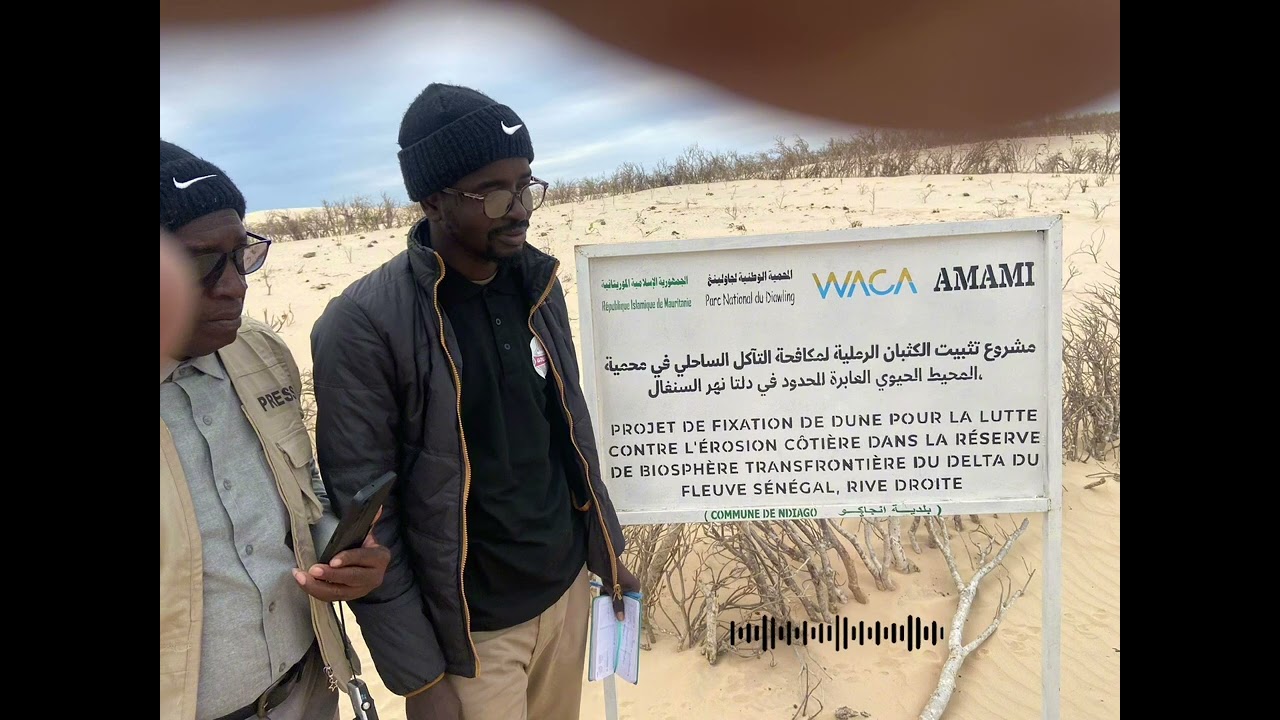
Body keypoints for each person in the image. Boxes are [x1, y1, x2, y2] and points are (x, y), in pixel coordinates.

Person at [309, 84, 641, 719]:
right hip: (474, 640)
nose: (519, 209)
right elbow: (367, 519)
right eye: (494, 191)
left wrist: (606, 550)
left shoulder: (536, 285)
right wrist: (422, 681)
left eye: (526, 185)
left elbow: (569, 430)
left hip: (566, 596)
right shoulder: (362, 324)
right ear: (432, 198)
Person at [159, 139, 391, 720]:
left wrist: (345, 552)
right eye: (198, 261)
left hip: (307, 692)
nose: (234, 284)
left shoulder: (261, 353)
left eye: (240, 254)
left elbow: (303, 499)